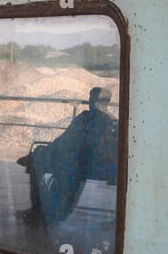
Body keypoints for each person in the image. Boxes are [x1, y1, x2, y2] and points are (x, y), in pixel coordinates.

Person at [17, 86, 119, 226]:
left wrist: (51, 151)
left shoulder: (97, 120)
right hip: (81, 161)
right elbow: (66, 139)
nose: (89, 100)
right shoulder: (105, 120)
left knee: (37, 163)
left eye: (91, 98)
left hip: (82, 164)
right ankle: (42, 209)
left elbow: (69, 141)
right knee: (40, 159)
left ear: (96, 100)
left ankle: (39, 210)